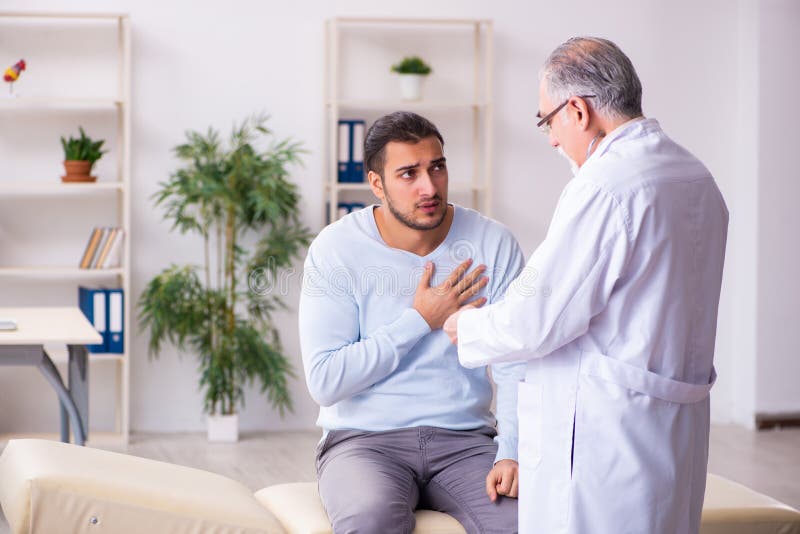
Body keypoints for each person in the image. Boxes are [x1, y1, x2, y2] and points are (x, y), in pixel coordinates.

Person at [444, 37, 729, 534]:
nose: (551, 140)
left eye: (547, 121)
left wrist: (465, 325)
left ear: (577, 111)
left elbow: (538, 318)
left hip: (606, 434)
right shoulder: (693, 173)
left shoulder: (605, 185)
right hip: (670, 427)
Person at [299, 111, 525, 534]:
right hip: (363, 441)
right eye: (409, 174)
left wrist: (511, 450)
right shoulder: (336, 249)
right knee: (371, 519)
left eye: (437, 167)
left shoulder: (493, 243)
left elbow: (516, 364)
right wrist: (420, 319)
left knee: (523, 521)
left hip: (465, 442)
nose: (429, 187)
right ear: (377, 183)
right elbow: (326, 381)